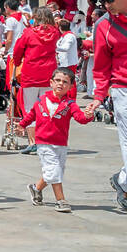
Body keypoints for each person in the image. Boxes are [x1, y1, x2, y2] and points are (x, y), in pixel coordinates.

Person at [22, 69, 92, 213]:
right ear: (51, 83)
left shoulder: (70, 104)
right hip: (44, 143)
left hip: (60, 144)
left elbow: (81, 118)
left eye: (65, 82)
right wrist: (21, 125)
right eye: (58, 81)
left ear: (71, 86)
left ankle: (35, 188)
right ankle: (61, 200)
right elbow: (31, 116)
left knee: (54, 172)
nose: (61, 84)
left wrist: (88, 115)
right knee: (54, 172)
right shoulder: (41, 101)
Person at [88, 0, 127, 211]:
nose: (106, 6)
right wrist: (98, 96)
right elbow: (101, 66)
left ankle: (123, 181)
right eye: (103, 1)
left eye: (110, 0)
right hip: (124, 90)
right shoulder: (103, 26)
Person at [12, 6, 61, 154]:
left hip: (31, 74)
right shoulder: (55, 33)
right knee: (48, 108)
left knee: (30, 109)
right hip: (49, 75)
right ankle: (46, 140)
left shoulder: (28, 33)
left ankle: (33, 142)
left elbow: (17, 51)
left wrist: (17, 61)